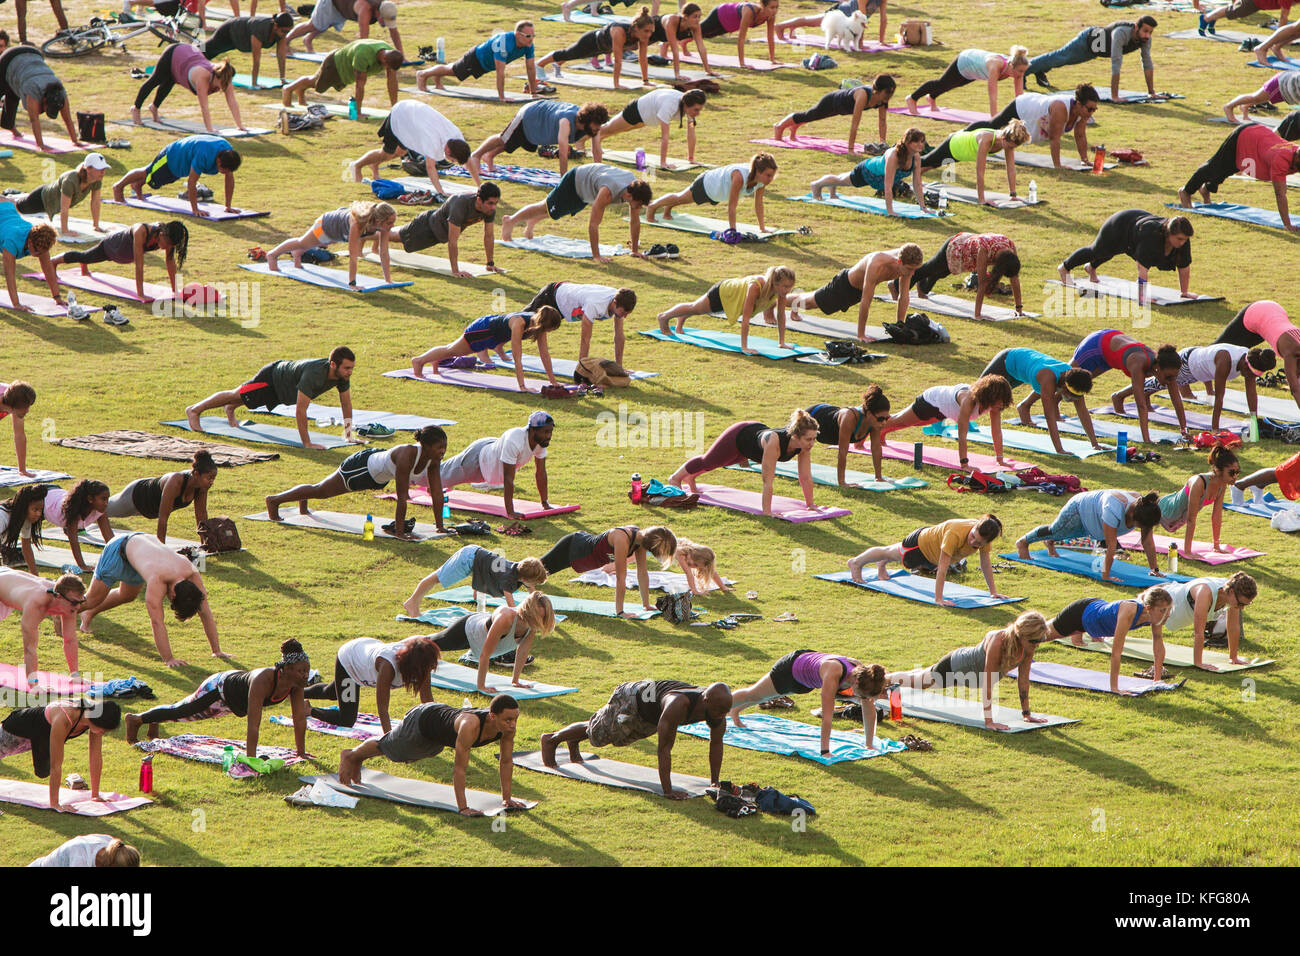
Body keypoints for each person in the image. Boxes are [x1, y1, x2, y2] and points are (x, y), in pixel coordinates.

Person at [540, 679, 731, 799]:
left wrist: (714, 782)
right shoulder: (678, 704)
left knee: (612, 737)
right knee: (600, 735)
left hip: (651, 713)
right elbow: (664, 748)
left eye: (725, 712)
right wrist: (668, 790)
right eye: (718, 711)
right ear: (706, 701)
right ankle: (552, 740)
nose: (720, 716)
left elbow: (716, 744)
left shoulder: (717, 711)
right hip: (631, 698)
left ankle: (574, 740)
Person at [338, 694, 526, 814]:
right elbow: (460, 769)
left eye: (515, 719)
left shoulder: (507, 728)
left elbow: (506, 762)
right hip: (422, 720)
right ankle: (351, 755)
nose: (513, 725)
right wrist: (463, 808)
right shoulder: (471, 726)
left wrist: (506, 798)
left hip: (437, 736)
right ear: (493, 716)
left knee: (411, 753)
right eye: (508, 719)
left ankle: (357, 757)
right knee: (394, 750)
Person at [126, 639, 310, 759]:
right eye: (301, 671)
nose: (305, 675)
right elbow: (254, 724)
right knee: (183, 712)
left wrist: (301, 754)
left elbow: (299, 719)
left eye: (307, 670)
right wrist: (251, 761)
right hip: (219, 689)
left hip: (233, 701)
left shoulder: (296, 685)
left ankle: (154, 720)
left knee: (180, 712)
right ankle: (136, 719)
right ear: (286, 669)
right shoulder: (264, 679)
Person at [265, 425, 448, 536]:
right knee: (321, 491)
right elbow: (402, 496)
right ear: (426, 446)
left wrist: (440, 527)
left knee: (319, 490)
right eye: (439, 447)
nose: (443, 451)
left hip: (376, 474)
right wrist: (399, 533)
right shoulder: (407, 455)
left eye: (444, 447)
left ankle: (303, 499)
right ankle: (274, 501)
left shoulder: (433, 460)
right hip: (361, 469)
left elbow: (437, 494)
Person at [78, 532, 226, 666]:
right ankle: (62, 612)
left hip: (139, 551)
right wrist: (169, 659)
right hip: (118, 550)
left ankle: (88, 613)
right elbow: (157, 622)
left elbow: (205, 611)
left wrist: (216, 650)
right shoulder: (157, 580)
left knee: (127, 595)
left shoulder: (190, 569)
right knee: (91, 600)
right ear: (173, 596)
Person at [887, 611, 1050, 728]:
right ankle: (883, 679)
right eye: (1035, 640)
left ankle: (886, 679)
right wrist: (989, 721)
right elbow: (988, 681)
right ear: (1022, 635)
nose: (1037, 644)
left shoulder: (1028, 646)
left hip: (970, 674)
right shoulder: (998, 641)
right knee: (920, 682)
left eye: (1040, 640)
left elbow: (1023, 680)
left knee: (920, 676)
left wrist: (1027, 714)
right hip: (957, 667)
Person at [185, 346, 358, 448]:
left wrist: (348, 434)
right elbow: (301, 409)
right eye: (347, 368)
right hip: (272, 378)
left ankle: (230, 407)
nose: (350, 372)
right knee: (236, 394)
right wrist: (307, 443)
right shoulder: (314, 374)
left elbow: (346, 404)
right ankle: (195, 410)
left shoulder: (341, 376)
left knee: (249, 401)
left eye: (351, 368)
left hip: (282, 391)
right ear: (333, 364)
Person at [728, 651, 888, 754]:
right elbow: (827, 717)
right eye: (860, 694)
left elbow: (869, 710)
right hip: (789, 671)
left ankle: (734, 711)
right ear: (855, 683)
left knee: (762, 697)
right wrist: (825, 750)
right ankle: (718, 704)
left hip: (805, 681)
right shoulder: (833, 674)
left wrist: (869, 744)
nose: (860, 698)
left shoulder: (862, 674)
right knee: (754, 695)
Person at [668, 409, 819, 517]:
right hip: (739, 435)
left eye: (814, 438)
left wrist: (810, 504)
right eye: (808, 439)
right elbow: (767, 480)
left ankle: (691, 478)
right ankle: (675, 478)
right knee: (709, 461)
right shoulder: (774, 442)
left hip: (748, 449)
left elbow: (805, 477)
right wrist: (767, 512)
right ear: (795, 436)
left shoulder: (803, 446)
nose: (812, 443)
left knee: (719, 463)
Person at [502, 163, 652, 263]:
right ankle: (511, 220)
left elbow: (634, 221)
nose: (637, 208)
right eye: (638, 204)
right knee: (545, 207)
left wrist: (635, 251)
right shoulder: (607, 192)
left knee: (557, 212)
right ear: (630, 196)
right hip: (575, 181)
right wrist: (597, 256)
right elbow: (593, 224)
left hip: (587, 189)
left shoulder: (633, 188)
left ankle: (532, 222)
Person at [849, 514, 1009, 606]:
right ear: (974, 528)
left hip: (930, 556)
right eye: (973, 536)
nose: (973, 542)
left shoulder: (985, 539)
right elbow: (943, 568)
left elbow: (985, 564)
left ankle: (881, 563)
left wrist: (993, 592)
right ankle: (856, 562)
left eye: (979, 543)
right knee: (888, 552)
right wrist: (938, 598)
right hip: (919, 546)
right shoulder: (955, 533)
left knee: (889, 554)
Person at [1112, 343, 1274, 433]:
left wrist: (1254, 422)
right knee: (1157, 382)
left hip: (1200, 369)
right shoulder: (1226, 360)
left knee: (1156, 384)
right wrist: (1215, 429)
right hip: (1188, 364)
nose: (1248, 376)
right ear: (1246, 363)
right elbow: (1219, 397)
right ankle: (1120, 396)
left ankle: (1144, 396)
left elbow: (1251, 394)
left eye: (1255, 375)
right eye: (1248, 372)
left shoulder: (1251, 360)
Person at [1061, 330, 1183, 444]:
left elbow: (1177, 400)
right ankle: (1055, 413)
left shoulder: (1166, 368)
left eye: (1174, 377)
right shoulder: (1138, 363)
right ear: (1158, 368)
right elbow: (1141, 405)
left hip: (1110, 354)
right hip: (1097, 344)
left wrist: (1184, 431)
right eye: (1168, 377)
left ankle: (1056, 412)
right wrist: (1147, 440)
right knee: (1065, 379)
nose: (1171, 381)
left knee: (1073, 384)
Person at [1015, 489, 1165, 582]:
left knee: (1069, 533)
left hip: (1093, 523)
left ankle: (1050, 542)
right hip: (1079, 508)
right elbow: (1111, 545)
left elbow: (1148, 542)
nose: (1137, 528)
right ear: (1132, 514)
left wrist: (1154, 569)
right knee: (1057, 530)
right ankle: (1023, 542)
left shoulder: (1145, 508)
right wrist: (1106, 575)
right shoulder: (1113, 508)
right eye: (1137, 525)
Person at [0, 699, 121, 812]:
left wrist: (95, 795)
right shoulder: (64, 717)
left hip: (39, 737)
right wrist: (55, 804)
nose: (103, 733)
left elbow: (95, 757)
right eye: (103, 730)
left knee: (42, 771)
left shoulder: (94, 719)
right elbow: (56, 765)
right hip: (17, 728)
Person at [1179, 122, 1300, 232]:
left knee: (1230, 168)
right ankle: (1186, 191)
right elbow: (1280, 193)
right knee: (1215, 166)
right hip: (1244, 135)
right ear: (1297, 158)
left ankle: (1206, 188)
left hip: (1258, 140)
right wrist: (1287, 224)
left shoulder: (1296, 153)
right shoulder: (1280, 159)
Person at [303, 635, 439, 733]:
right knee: (347, 719)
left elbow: (426, 701)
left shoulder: (423, 665)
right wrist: (389, 739)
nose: (426, 672)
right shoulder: (388, 666)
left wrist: (433, 730)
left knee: (331, 692)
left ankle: (298, 691)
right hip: (351, 661)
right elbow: (382, 707)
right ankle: (308, 710)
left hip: (365, 650)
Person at [787, 245, 922, 343]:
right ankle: (776, 299)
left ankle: (794, 300)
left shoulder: (907, 262)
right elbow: (866, 299)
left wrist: (900, 325)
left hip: (857, 291)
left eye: (915, 270)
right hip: (844, 286)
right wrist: (861, 334)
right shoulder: (877, 263)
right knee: (810, 303)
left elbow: (903, 296)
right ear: (899, 262)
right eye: (910, 269)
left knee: (809, 300)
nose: (912, 273)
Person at [426, 592, 556, 693]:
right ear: (529, 612)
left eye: (543, 617)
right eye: (538, 616)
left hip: (481, 640)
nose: (540, 621)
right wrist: (481, 686)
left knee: (430, 645)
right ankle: (407, 644)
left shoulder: (532, 626)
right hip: (468, 631)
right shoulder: (506, 618)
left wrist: (516, 681)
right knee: (429, 645)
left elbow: (522, 652)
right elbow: (485, 654)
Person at [879, 376, 1014, 471]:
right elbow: (962, 435)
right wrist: (964, 464)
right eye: (1000, 401)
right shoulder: (968, 400)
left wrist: (1000, 459)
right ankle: (870, 425)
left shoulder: (995, 406)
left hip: (943, 411)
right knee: (898, 421)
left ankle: (882, 432)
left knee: (906, 423)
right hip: (931, 401)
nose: (1001, 405)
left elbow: (996, 431)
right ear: (990, 396)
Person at [1059, 210, 1196, 305]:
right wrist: (1142, 296)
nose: (1182, 242)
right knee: (1098, 250)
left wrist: (1184, 292)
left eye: (1185, 239)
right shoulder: (1151, 236)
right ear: (1168, 233)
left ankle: (1091, 268)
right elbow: (1142, 269)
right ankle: (1065, 268)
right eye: (1179, 239)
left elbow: (1184, 266)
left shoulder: (1182, 239)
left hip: (1134, 231)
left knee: (1109, 252)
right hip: (1120, 224)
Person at [1046, 589, 1172, 692]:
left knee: (1042, 632)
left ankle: (1079, 634)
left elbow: (1158, 645)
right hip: (1080, 614)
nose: (1168, 614)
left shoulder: (1156, 617)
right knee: (1039, 636)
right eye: (1163, 610)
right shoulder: (1129, 611)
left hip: (1093, 616)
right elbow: (1116, 653)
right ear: (1148, 608)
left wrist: (1157, 681)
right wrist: (1114, 688)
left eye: (1168, 610)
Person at [439, 412, 556, 521]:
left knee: (441, 478)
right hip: (477, 460)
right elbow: (508, 478)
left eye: (550, 431)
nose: (549, 435)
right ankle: (425, 462)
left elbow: (540, 473)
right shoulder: (515, 440)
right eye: (546, 432)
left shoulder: (540, 442)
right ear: (533, 430)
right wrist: (510, 511)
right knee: (438, 476)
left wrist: (545, 503)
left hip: (491, 452)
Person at [982, 348, 1101, 455]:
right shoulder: (1048, 378)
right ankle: (965, 419)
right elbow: (1049, 417)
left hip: (1020, 373)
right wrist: (1059, 449)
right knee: (980, 396)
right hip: (1008, 360)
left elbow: (1083, 412)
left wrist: (1095, 444)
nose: (1072, 400)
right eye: (1071, 397)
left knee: (993, 399)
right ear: (1065, 387)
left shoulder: (1075, 379)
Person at [541, 525, 676, 617]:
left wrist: (646, 605)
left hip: (582, 559)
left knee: (534, 574)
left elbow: (642, 573)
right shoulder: (622, 538)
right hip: (574, 550)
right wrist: (620, 612)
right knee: (535, 572)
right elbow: (620, 578)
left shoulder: (640, 541)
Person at [656, 266, 796, 354]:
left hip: (732, 296)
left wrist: (782, 342)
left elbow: (781, 315)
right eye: (785, 286)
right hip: (723, 293)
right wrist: (744, 347)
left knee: (697, 310)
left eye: (790, 286)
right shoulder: (755, 287)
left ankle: (681, 318)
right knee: (696, 308)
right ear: (775, 283)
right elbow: (745, 319)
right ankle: (664, 317)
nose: (787, 290)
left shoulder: (780, 292)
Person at [410, 309, 562, 390]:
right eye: (549, 329)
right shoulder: (520, 323)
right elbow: (517, 357)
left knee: (452, 350)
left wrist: (553, 382)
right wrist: (522, 386)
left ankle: (435, 360)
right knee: (452, 350)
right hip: (483, 330)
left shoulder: (537, 325)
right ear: (543, 323)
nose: (548, 332)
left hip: (495, 334)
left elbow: (545, 354)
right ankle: (419, 361)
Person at [962, 84, 1100, 171]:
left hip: (1033, 111)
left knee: (1000, 133)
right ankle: (963, 134)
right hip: (1023, 106)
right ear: (1078, 104)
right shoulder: (1060, 108)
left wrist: (1085, 159)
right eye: (1090, 109)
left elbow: (1080, 135)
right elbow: (1054, 139)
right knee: (993, 125)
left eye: (1095, 109)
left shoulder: (1083, 115)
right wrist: (1057, 166)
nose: (1092, 113)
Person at [349, 100, 470, 197]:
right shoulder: (433, 141)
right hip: (401, 116)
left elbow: (470, 159)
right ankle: (357, 165)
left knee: (401, 152)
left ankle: (374, 166)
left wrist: (479, 185)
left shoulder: (454, 136)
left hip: (411, 120)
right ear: (448, 151)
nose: (452, 162)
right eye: (453, 160)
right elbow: (430, 167)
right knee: (387, 153)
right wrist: (440, 191)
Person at [265, 201, 396, 288]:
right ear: (379, 221)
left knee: (308, 245)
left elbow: (384, 253)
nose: (393, 225)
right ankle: (272, 255)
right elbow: (353, 256)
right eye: (390, 222)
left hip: (338, 232)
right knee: (302, 242)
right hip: (326, 225)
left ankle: (297, 254)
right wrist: (352, 283)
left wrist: (388, 280)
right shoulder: (358, 224)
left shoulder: (383, 227)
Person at [384, 183, 504, 278]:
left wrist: (490, 264)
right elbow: (453, 241)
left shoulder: (489, 210)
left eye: (495, 203)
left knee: (396, 233)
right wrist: (455, 271)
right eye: (490, 203)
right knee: (395, 237)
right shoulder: (460, 203)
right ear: (479, 200)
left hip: (439, 234)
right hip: (426, 228)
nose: (494, 207)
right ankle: (370, 232)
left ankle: (377, 230)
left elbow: (489, 235)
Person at [1026, 16, 1157, 103]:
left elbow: (1147, 63)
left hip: (1094, 52)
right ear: (1136, 27)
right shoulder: (1121, 34)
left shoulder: (1145, 40)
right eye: (1145, 31)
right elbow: (1116, 64)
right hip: (1086, 42)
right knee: (1059, 57)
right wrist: (1115, 97)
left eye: (1150, 32)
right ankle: (1023, 70)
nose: (1147, 35)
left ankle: (1039, 69)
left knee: (1060, 61)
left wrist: (1151, 93)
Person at [470, 100, 609, 181]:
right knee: (504, 138)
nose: (598, 128)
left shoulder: (593, 127)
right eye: (597, 124)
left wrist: (598, 175)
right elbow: (562, 152)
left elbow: (597, 151)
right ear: (588, 120)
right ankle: (476, 155)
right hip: (531, 114)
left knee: (514, 141)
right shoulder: (566, 121)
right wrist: (563, 179)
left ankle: (489, 156)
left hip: (542, 123)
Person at [51, 220, 189, 301]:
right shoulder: (141, 231)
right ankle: (54, 261)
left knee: (87, 257)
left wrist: (175, 290)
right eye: (168, 243)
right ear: (161, 234)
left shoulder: (167, 238)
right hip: (112, 247)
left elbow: (170, 263)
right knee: (85, 256)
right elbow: (139, 265)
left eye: (172, 245)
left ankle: (84, 266)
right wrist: (141, 294)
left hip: (124, 255)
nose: (168, 247)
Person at [113, 134, 243, 219]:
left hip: (181, 165)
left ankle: (137, 185)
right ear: (218, 160)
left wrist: (228, 206)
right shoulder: (204, 154)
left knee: (155, 180)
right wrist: (195, 209)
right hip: (172, 155)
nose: (224, 173)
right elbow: (192, 182)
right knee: (148, 172)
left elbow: (229, 178)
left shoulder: (229, 154)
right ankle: (118, 187)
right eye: (222, 170)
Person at [646, 152, 776, 235]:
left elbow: (759, 204)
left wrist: (762, 228)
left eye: (772, 176)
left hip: (718, 192)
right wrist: (733, 231)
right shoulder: (739, 176)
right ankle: (652, 207)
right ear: (758, 171)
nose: (770, 179)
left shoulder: (761, 181)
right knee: (681, 198)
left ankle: (668, 208)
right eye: (768, 175)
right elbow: (732, 206)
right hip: (707, 184)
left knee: (682, 199)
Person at [104, 451, 217, 545]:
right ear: (196, 474)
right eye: (209, 478)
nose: (211, 482)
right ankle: (86, 508)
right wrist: (161, 548)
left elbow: (201, 514)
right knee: (101, 509)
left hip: (149, 509)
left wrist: (205, 544)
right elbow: (163, 517)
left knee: (101, 511)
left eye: (213, 478)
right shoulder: (176, 481)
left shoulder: (201, 486)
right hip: (136, 497)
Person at [906, 231, 1026, 319]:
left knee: (940, 274)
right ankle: (895, 287)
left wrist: (1019, 309)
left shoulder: (1010, 248)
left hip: (967, 249)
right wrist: (978, 315)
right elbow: (982, 283)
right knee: (930, 269)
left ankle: (921, 287)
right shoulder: (984, 250)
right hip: (956, 246)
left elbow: (1014, 279)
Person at [812, 127, 927, 218]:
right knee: (843, 181)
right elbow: (888, 186)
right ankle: (816, 185)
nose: (920, 145)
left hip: (878, 179)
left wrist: (923, 207)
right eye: (916, 141)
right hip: (868, 172)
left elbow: (917, 184)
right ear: (907, 142)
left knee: (842, 180)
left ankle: (832, 186)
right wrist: (890, 210)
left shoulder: (916, 157)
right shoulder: (894, 156)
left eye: (922, 142)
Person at [1152, 572, 1257, 669]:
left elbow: (1233, 627)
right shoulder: (1205, 592)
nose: (1242, 608)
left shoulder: (1231, 595)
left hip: (1173, 614)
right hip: (1161, 599)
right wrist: (1198, 663)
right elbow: (1198, 632)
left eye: (1246, 604)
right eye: (1241, 603)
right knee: (1137, 619)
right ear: (1231, 592)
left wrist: (1233, 657)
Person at [415, 21, 541, 102]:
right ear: (518, 35)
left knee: (452, 69)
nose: (531, 39)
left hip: (485, 64)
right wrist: (501, 97)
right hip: (475, 58)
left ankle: (437, 78)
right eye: (528, 36)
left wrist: (533, 92)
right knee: (453, 71)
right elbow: (500, 71)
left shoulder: (529, 45)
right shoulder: (504, 43)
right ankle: (423, 74)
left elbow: (530, 68)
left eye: (533, 35)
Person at [131, 44, 244, 134]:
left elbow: (232, 102)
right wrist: (210, 129)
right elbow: (204, 107)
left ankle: (154, 108)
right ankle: (136, 109)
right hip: (175, 53)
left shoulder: (225, 78)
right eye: (221, 84)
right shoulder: (203, 77)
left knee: (170, 82)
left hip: (188, 58)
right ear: (216, 76)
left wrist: (240, 126)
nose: (223, 87)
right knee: (156, 80)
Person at [402, 546, 548, 615]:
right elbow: (512, 608)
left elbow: (531, 592)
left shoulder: (520, 568)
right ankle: (412, 602)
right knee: (438, 578)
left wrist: (536, 604)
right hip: (468, 559)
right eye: (533, 583)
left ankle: (413, 602)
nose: (532, 586)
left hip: (475, 555)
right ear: (524, 579)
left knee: (438, 577)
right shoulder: (508, 579)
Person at [0, 569, 84, 687]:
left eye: (81, 601)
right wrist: (34, 685)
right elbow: (29, 648)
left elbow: (70, 639)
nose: (78, 606)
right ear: (58, 597)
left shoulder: (69, 601)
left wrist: (75, 675)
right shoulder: (37, 603)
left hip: (9, 580)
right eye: (75, 602)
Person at [772, 74, 895, 153]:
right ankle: (779, 126)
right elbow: (855, 124)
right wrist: (850, 149)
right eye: (887, 92)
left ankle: (794, 126)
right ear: (877, 90)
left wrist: (882, 144)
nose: (889, 96)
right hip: (833, 101)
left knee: (811, 117)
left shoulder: (882, 101)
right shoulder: (863, 95)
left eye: (891, 93)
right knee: (809, 115)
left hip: (842, 109)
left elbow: (882, 122)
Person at [538, 8, 656, 90]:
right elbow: (618, 60)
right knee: (568, 54)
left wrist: (645, 81)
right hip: (590, 41)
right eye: (646, 31)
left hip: (602, 49)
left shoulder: (643, 36)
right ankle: (539, 64)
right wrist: (616, 84)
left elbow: (643, 58)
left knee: (574, 55)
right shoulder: (619, 31)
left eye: (651, 31)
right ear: (636, 28)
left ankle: (557, 65)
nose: (649, 35)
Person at [1214, 300, 1300, 411]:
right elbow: (1294, 389)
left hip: (1274, 314)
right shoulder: (1291, 353)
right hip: (1258, 313)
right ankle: (1185, 387)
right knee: (1217, 349)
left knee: (1248, 365)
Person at [919, 122, 1030, 206]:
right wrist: (981, 199)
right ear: (1003, 138)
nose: (1011, 149)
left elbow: (1011, 169)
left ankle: (916, 180)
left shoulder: (1007, 142)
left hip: (961, 153)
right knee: (923, 162)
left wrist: (1013, 195)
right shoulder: (986, 139)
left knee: (931, 165)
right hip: (954, 145)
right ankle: (903, 163)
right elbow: (980, 172)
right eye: (1010, 146)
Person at [1153, 446, 1239, 555]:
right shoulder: (1199, 483)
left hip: (1176, 520)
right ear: (1218, 470)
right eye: (1231, 473)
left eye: (1238, 472)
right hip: (1164, 511)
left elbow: (1216, 516)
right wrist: (1188, 552)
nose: (1235, 476)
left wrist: (1216, 546)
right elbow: (1190, 519)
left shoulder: (1222, 486)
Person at [526, 282, 636, 365]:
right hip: (551, 296)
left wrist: (619, 367)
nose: (624, 316)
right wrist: (581, 369)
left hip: (565, 305)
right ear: (614, 303)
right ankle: (507, 350)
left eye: (627, 313)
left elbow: (619, 336)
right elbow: (585, 339)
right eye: (623, 312)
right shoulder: (594, 304)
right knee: (525, 327)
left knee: (529, 330)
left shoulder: (620, 300)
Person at [281, 38, 403, 113]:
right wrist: (358, 112)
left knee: (315, 83)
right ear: (384, 58)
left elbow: (392, 82)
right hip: (335, 64)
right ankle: (289, 88)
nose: (386, 70)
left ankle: (300, 91)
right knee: (315, 83)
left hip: (345, 68)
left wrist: (394, 108)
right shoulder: (363, 55)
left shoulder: (391, 55)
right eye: (387, 67)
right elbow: (360, 85)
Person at [9, 152, 110, 240]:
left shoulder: (96, 180)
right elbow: (64, 208)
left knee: (18, 204)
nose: (103, 172)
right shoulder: (70, 180)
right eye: (100, 169)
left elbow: (95, 202)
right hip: (41, 199)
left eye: (104, 168)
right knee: (17, 207)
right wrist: (65, 230)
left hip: (51, 200)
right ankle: (4, 199)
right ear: (88, 169)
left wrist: (96, 225)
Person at [0, 46, 82, 153]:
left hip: (33, 55)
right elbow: (34, 119)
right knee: (9, 90)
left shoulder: (61, 92)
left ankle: (9, 127)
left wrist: (75, 141)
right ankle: (11, 127)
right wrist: (41, 145)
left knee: (13, 93)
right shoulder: (33, 90)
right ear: (43, 101)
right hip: (8, 60)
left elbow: (68, 119)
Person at [907, 46, 1029, 117]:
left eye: (1024, 71)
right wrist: (994, 121)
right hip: (966, 61)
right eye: (1020, 71)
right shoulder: (995, 66)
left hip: (975, 72)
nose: (1022, 75)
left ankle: (931, 97)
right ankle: (912, 98)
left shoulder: (1018, 70)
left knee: (951, 85)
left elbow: (1020, 98)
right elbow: (993, 97)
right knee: (942, 83)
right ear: (1012, 67)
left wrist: (1023, 118)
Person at [600, 88, 706, 170]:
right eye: (696, 109)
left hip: (647, 118)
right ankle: (583, 139)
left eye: (700, 110)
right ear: (686, 105)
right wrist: (663, 163)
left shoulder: (690, 110)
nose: (698, 113)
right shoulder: (670, 106)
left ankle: (597, 140)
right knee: (609, 129)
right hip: (636, 111)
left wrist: (691, 158)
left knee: (622, 129)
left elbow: (691, 133)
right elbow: (665, 137)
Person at [807, 387, 892, 485]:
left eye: (887, 418)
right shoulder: (850, 417)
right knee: (790, 443)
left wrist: (878, 477)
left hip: (828, 417)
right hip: (815, 415)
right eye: (881, 419)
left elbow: (876, 448)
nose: (884, 422)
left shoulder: (875, 422)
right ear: (869, 413)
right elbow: (842, 452)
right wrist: (842, 482)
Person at [201, 12, 294, 88]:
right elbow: (256, 58)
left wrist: (283, 79)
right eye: (284, 31)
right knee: (205, 51)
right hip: (230, 31)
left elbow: (281, 56)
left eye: (288, 31)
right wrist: (254, 83)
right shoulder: (260, 28)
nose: (286, 34)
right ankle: (189, 51)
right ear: (275, 26)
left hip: (239, 41)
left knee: (207, 53)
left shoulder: (281, 34)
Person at [40, 480, 112, 574]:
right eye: (103, 499)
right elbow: (73, 541)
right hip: (42, 495)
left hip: (55, 491)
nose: (106, 503)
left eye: (107, 499)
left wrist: (122, 558)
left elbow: (109, 537)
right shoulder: (74, 512)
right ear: (90, 499)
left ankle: (66, 527)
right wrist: (82, 565)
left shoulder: (101, 511)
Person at [0, 202, 61, 313]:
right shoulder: (12, 242)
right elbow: (9, 275)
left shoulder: (41, 244)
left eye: (41, 252)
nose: (39, 254)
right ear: (29, 241)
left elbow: (48, 269)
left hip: (7, 208)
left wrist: (57, 297)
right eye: (36, 251)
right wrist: (16, 304)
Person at [286, 0, 402, 55]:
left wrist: (401, 55)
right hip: (332, 3)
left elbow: (394, 32)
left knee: (327, 24)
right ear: (377, 12)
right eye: (383, 19)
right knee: (313, 25)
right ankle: (285, 41)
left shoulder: (387, 9)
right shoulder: (365, 9)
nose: (384, 23)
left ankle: (308, 39)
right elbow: (363, 41)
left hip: (344, 8)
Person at [700, 0, 782, 69]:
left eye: (776, 7)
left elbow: (770, 37)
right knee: (698, 31)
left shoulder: (771, 16)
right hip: (720, 14)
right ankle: (686, 40)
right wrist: (742, 63)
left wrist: (772, 59)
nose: (775, 10)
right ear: (763, 6)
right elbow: (741, 38)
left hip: (729, 25)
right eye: (772, 7)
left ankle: (685, 43)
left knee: (706, 35)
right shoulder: (750, 11)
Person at [645, 4, 719, 80]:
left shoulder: (696, 26)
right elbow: (675, 50)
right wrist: (677, 74)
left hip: (662, 37)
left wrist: (708, 70)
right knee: (633, 46)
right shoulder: (672, 21)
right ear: (686, 17)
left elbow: (701, 48)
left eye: (699, 17)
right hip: (652, 30)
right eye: (695, 16)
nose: (698, 19)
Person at [776, 0, 888, 48]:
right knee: (811, 22)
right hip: (840, 13)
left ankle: (791, 26)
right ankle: (780, 27)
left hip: (848, 21)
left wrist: (881, 41)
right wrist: (860, 43)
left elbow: (883, 19)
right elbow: (860, 17)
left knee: (811, 22)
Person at [0, 484, 48, 574]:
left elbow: (26, 547)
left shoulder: (25, 518)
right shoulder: (2, 516)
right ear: (24, 507)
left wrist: (36, 578)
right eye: (35, 510)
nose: (38, 514)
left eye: (40, 510)